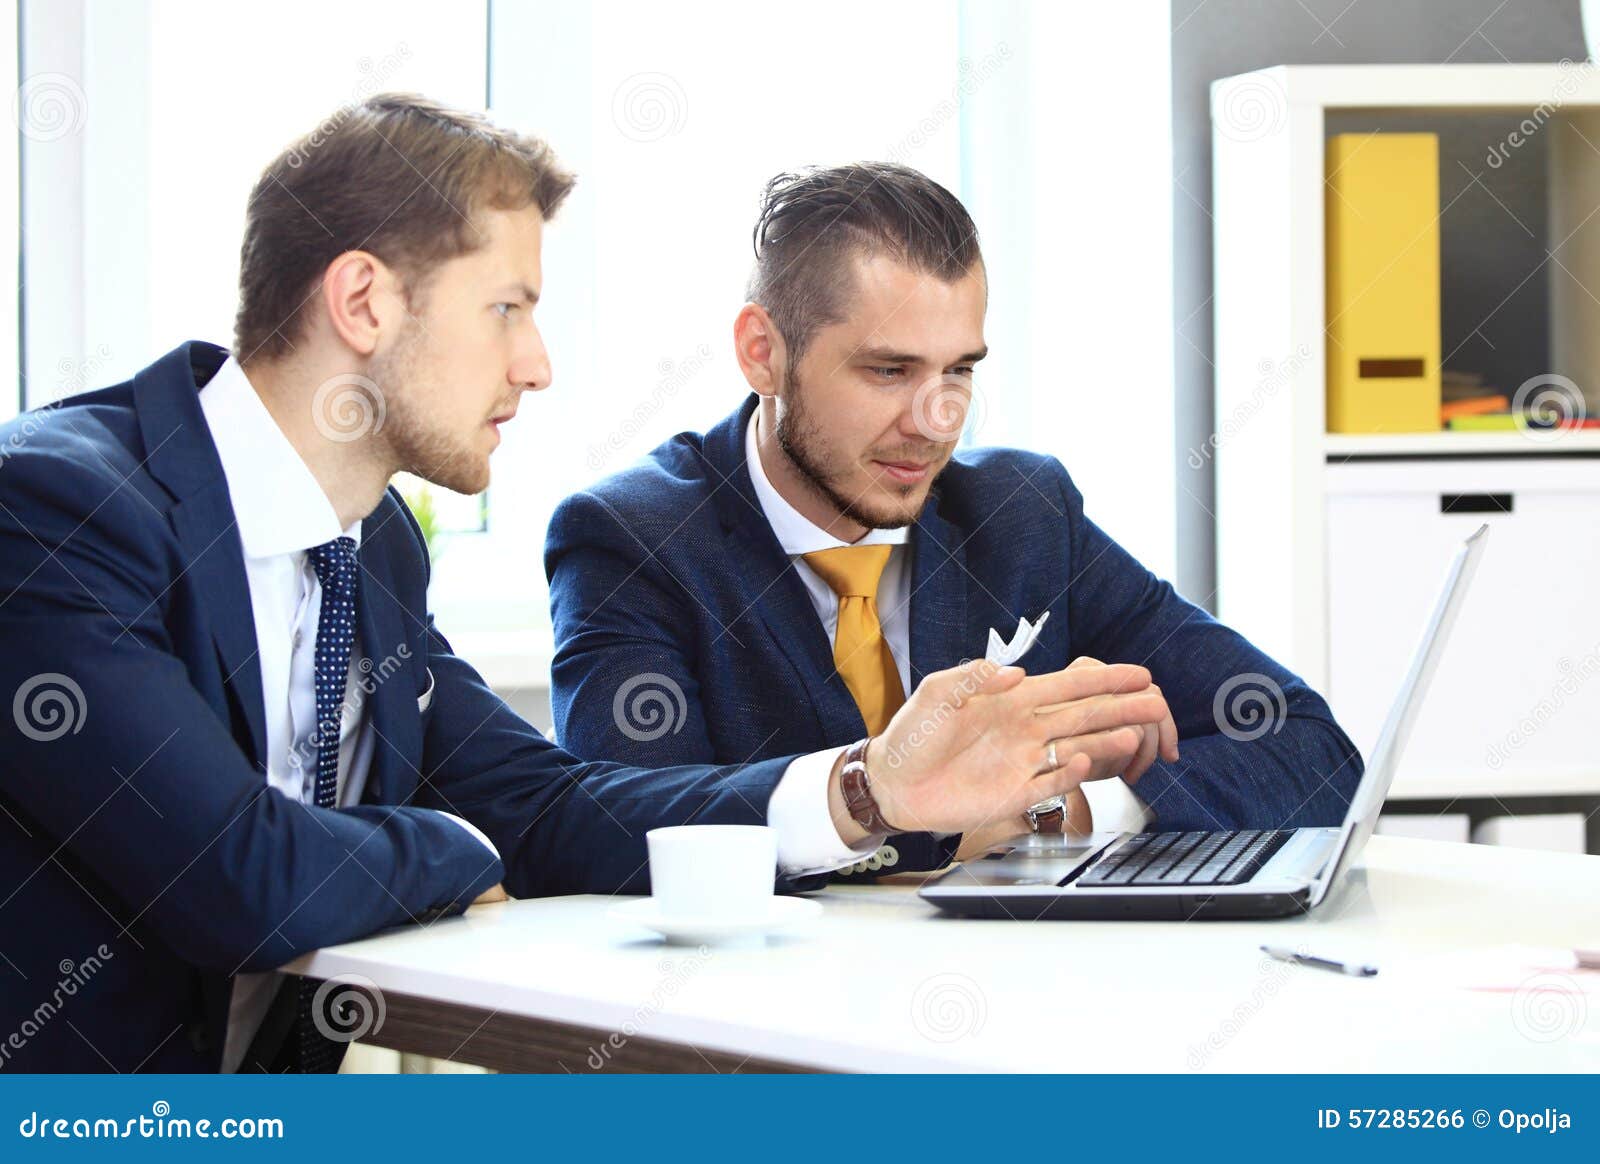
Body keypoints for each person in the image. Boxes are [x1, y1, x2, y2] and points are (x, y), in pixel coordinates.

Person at [0, 102, 1144, 1074]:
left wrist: (868, 789)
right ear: (363, 302)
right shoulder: (54, 509)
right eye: (507, 308)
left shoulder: (369, 543)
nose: (537, 364)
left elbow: (551, 810)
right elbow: (240, 881)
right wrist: (462, 842)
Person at [546, 162, 1364, 880]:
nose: (936, 421)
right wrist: (930, 818)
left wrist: (1063, 810)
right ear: (764, 351)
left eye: (959, 371)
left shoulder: (1024, 513)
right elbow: (619, 835)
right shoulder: (632, 538)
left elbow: (1313, 753)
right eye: (888, 371)